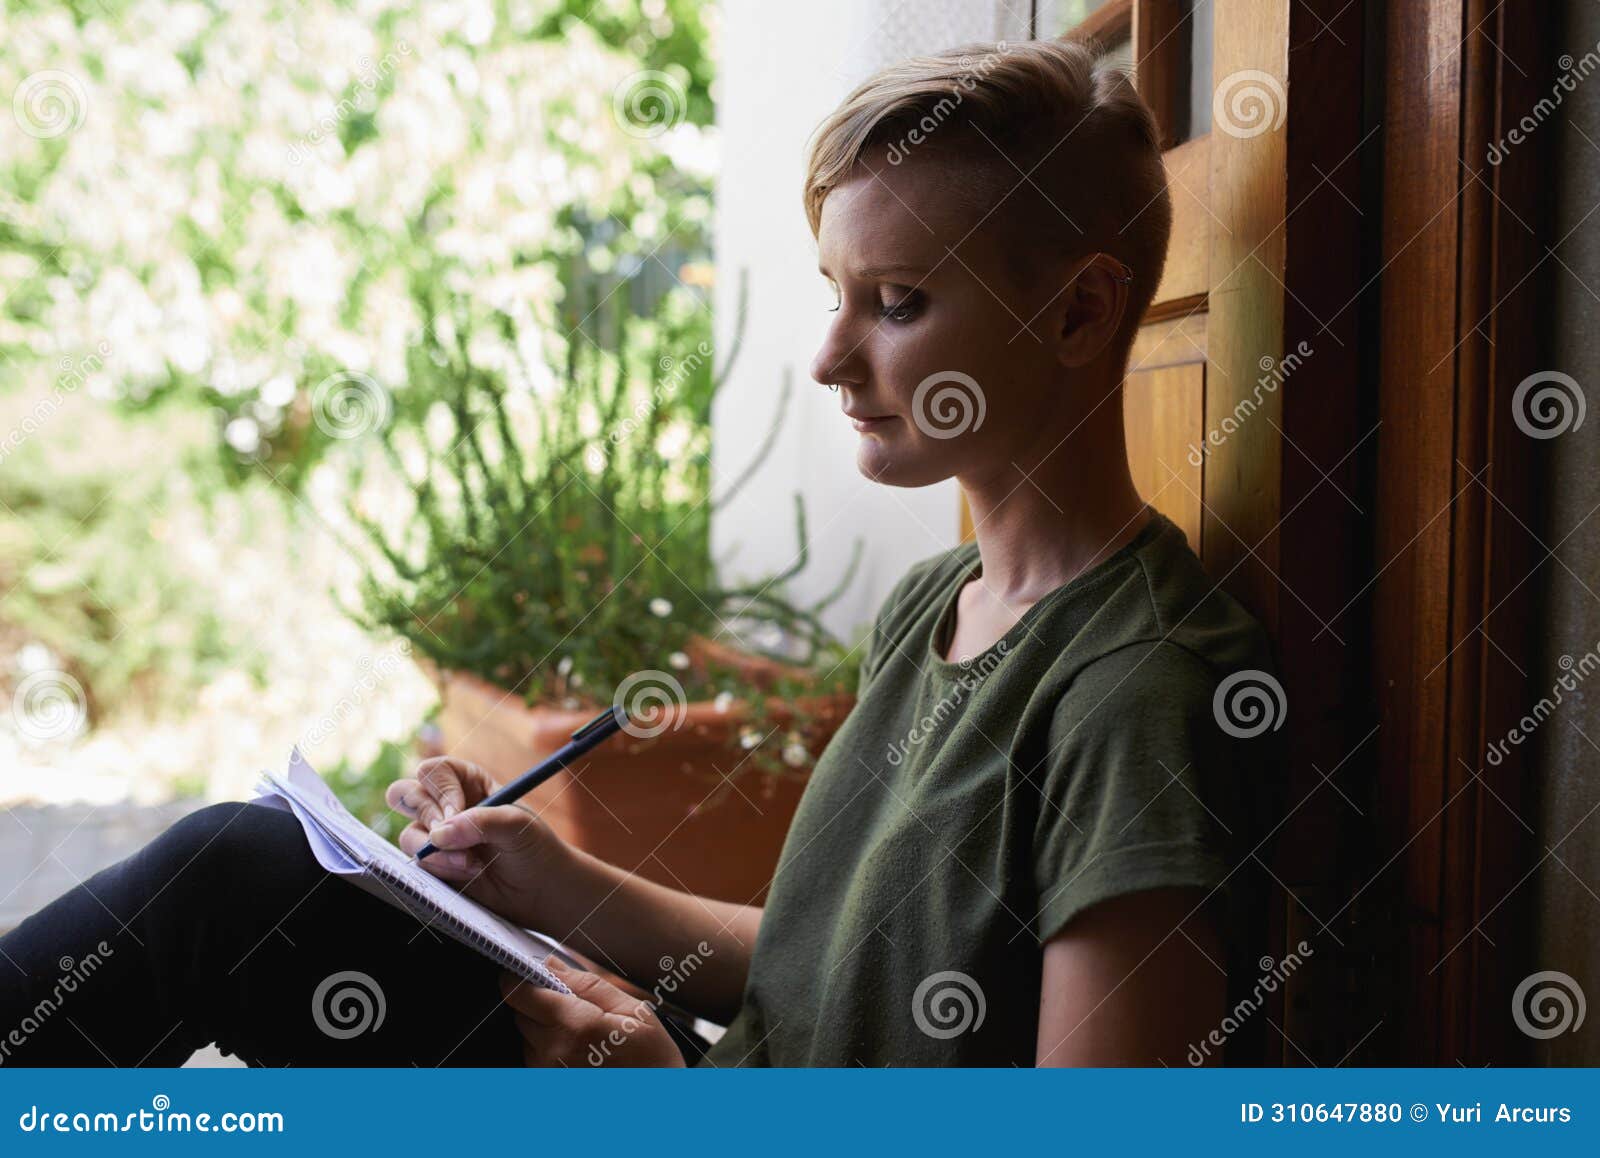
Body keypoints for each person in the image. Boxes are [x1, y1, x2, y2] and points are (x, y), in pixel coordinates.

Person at [0, 37, 1281, 1068]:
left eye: (895, 304)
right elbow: (821, 962)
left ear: (1079, 310)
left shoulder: (1137, 693)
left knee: (227, 891)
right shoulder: (937, 603)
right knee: (251, 866)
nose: (833, 360)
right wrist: (555, 883)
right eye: (834, 294)